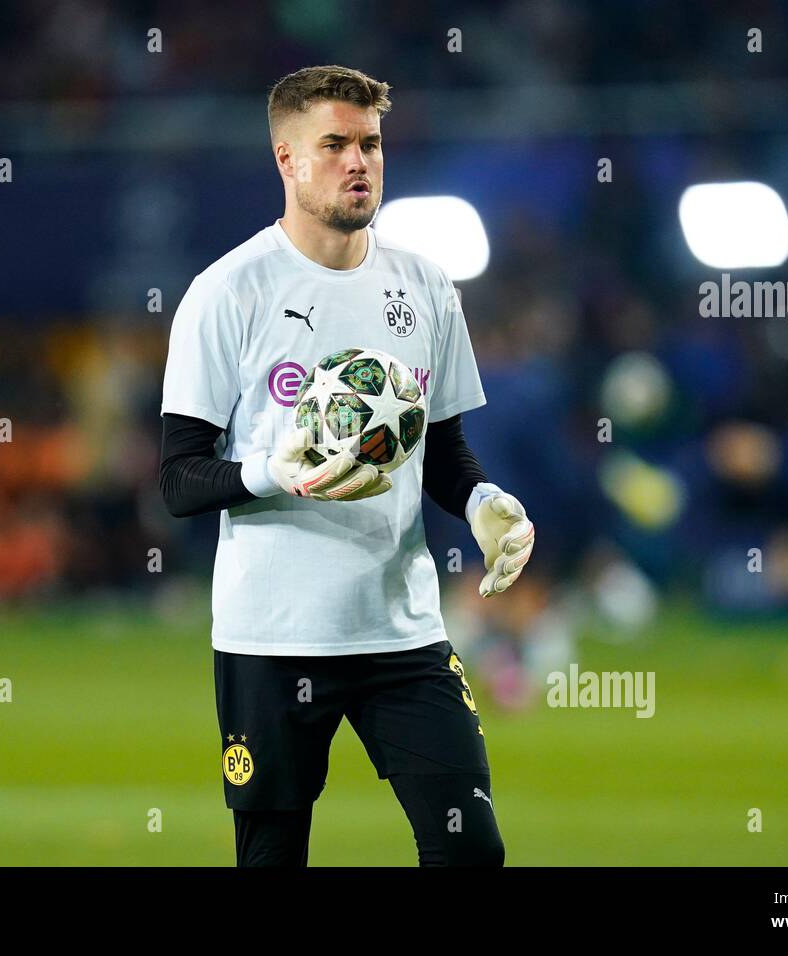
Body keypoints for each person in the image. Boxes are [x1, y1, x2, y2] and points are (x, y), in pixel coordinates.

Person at [158, 65, 535, 866]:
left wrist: (481, 505)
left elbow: (441, 450)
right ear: (287, 160)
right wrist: (271, 471)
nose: (358, 161)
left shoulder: (426, 287)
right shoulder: (226, 293)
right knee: (272, 858)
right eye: (334, 144)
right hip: (272, 636)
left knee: (472, 850)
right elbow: (179, 479)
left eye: (370, 143)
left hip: (401, 631)